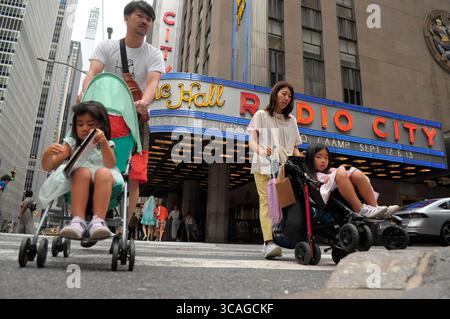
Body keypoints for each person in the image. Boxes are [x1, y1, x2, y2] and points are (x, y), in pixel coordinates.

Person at [78, 1, 165, 228]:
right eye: (140, 16)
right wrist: (84, 93)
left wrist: (144, 102)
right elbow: (93, 73)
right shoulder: (107, 47)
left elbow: (153, 83)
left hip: (135, 119)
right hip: (104, 118)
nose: (145, 21)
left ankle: (122, 228)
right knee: (92, 163)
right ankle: (88, 212)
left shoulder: (154, 54)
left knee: (134, 174)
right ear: (126, 18)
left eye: (149, 18)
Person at [41, 101, 124, 240]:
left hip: (103, 180)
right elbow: (49, 167)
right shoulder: (72, 144)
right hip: (78, 180)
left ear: (100, 126)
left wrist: (103, 142)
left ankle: (98, 222)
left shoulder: (106, 144)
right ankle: (77, 221)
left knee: (103, 172)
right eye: (80, 124)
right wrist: (47, 155)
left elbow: (110, 164)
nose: (85, 128)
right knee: (81, 172)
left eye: (90, 124)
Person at [247, 81, 303, 259]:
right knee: (266, 201)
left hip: (285, 168)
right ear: (275, 94)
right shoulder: (261, 115)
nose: (287, 98)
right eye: (284, 93)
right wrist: (262, 151)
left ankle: (288, 237)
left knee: (288, 202)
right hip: (263, 165)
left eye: (290, 96)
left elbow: (294, 146)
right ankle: (268, 242)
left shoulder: (291, 120)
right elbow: (252, 141)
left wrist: (300, 156)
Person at [304, 143, 400, 219]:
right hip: (327, 200)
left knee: (356, 173)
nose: (323, 160)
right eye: (319, 157)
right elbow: (322, 183)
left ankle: (375, 207)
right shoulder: (311, 176)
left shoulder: (331, 170)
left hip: (342, 193)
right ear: (310, 159)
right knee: (341, 170)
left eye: (326, 157)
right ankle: (360, 209)